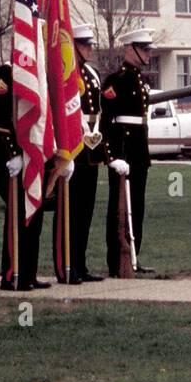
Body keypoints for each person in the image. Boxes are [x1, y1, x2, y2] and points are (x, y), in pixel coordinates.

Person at [0, 61, 52, 291]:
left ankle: (28, 273)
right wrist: (14, 153)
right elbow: (0, 118)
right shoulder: (6, 72)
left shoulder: (37, 73)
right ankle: (11, 274)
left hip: (33, 158)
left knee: (34, 216)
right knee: (17, 217)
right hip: (11, 161)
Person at [102, 28, 151, 274]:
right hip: (124, 149)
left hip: (139, 150)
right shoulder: (116, 80)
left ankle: (133, 255)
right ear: (129, 49)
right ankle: (116, 260)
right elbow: (107, 122)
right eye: (143, 48)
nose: (147, 53)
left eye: (148, 48)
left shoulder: (141, 80)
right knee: (119, 206)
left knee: (137, 205)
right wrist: (112, 156)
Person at [67, 24, 104, 283]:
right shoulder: (67, 72)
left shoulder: (91, 73)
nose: (89, 49)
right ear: (73, 46)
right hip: (73, 147)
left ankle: (81, 263)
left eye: (90, 44)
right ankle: (67, 265)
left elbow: (97, 111)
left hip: (90, 147)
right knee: (71, 211)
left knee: (86, 210)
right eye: (84, 44)